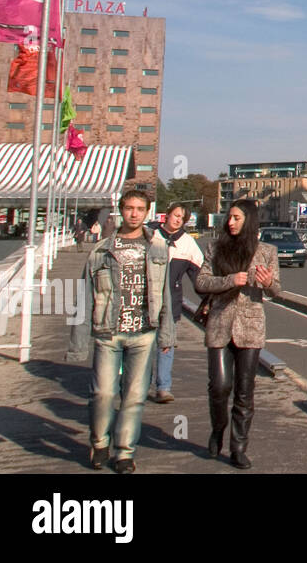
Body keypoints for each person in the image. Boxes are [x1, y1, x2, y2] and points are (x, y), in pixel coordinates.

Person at [67, 190, 175, 474]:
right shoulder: (101, 250)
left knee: (134, 397)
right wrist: (78, 343)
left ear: (147, 212)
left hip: (144, 332)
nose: (134, 214)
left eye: (140, 209)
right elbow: (84, 298)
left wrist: (166, 336)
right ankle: (100, 442)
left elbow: (164, 295)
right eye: (129, 208)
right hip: (108, 332)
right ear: (121, 210)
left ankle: (125, 453)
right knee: (103, 393)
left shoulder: (158, 248)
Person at [195, 199, 280, 469]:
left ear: (249, 221)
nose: (230, 222)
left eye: (236, 218)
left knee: (245, 392)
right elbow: (201, 282)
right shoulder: (215, 247)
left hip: (251, 328)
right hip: (220, 323)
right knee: (219, 386)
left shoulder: (266, 251)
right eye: (229, 217)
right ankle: (217, 429)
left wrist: (268, 283)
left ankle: (238, 448)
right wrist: (230, 280)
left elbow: (276, 289)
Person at [149, 203, 204, 403]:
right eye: (176, 215)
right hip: (147, 301)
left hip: (171, 301)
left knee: (166, 344)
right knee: (143, 346)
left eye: (182, 218)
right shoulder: (150, 236)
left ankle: (163, 387)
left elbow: (199, 276)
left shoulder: (188, 243)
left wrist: (208, 300)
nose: (178, 220)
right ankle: (140, 385)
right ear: (167, 215)